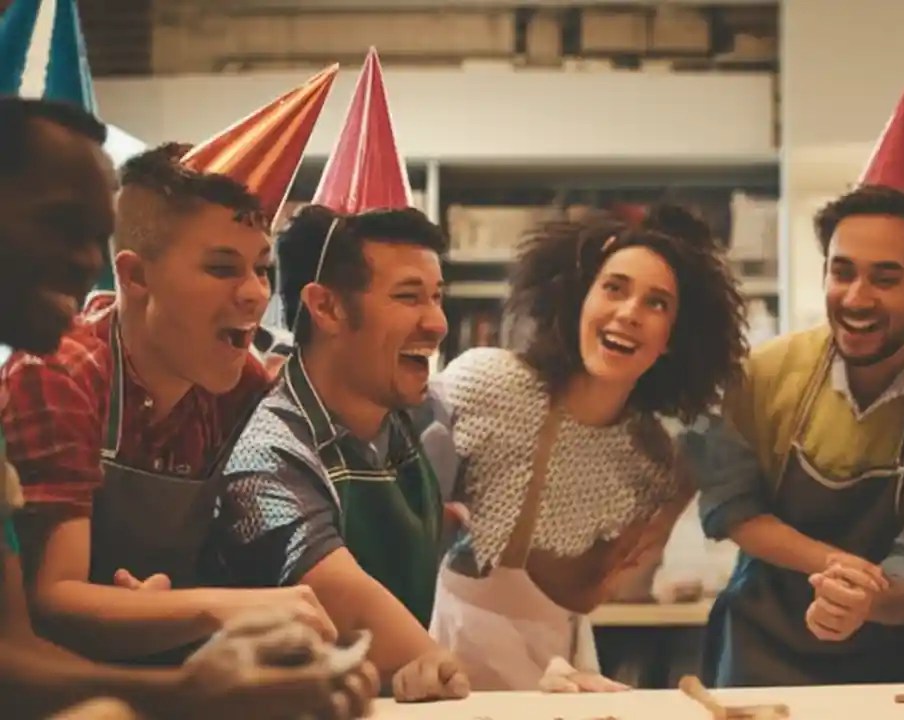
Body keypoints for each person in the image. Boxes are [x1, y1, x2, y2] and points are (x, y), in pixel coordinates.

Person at [0, 93, 378, 720]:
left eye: (263, 269)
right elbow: (44, 610)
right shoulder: (60, 371)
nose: (256, 294)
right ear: (134, 277)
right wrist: (212, 616)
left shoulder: (242, 387)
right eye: (222, 268)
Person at [681, 76, 904, 687]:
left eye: (886, 278)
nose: (856, 298)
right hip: (760, 648)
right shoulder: (759, 375)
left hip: (890, 656)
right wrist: (836, 565)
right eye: (842, 272)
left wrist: (868, 601)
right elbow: (731, 508)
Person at [214, 48, 469, 703]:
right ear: (324, 306)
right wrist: (434, 662)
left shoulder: (414, 423)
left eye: (439, 297)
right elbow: (343, 600)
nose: (437, 324)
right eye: (410, 296)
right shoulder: (267, 454)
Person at [427, 204, 749, 691]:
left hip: (557, 671)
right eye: (614, 288)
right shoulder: (484, 380)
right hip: (439, 658)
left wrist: (672, 506)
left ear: (673, 340)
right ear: (579, 297)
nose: (629, 313)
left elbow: (589, 596)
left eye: (657, 304)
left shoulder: (656, 461)